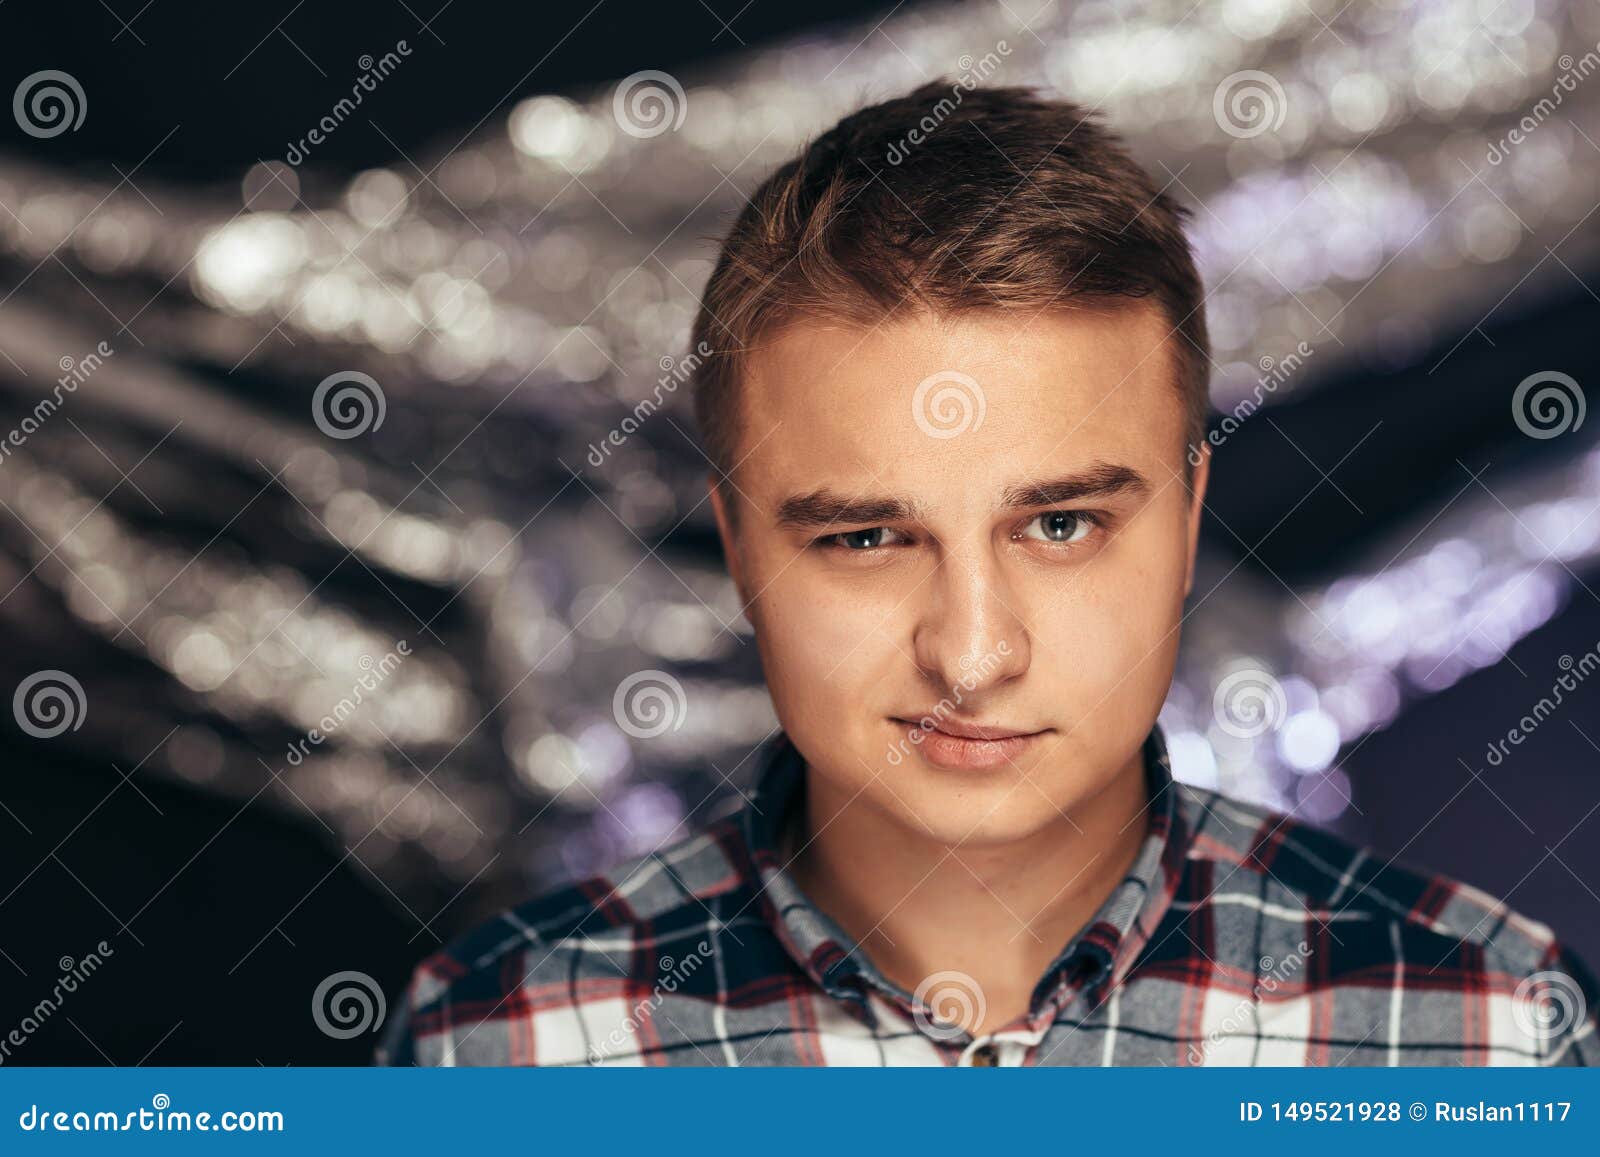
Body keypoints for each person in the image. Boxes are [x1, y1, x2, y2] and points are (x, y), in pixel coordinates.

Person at [378, 82, 1598, 1067]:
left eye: (1059, 525)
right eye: (866, 537)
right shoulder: (503, 1045)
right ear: (741, 551)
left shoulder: (1485, 1039)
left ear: (1185, 525)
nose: (970, 651)